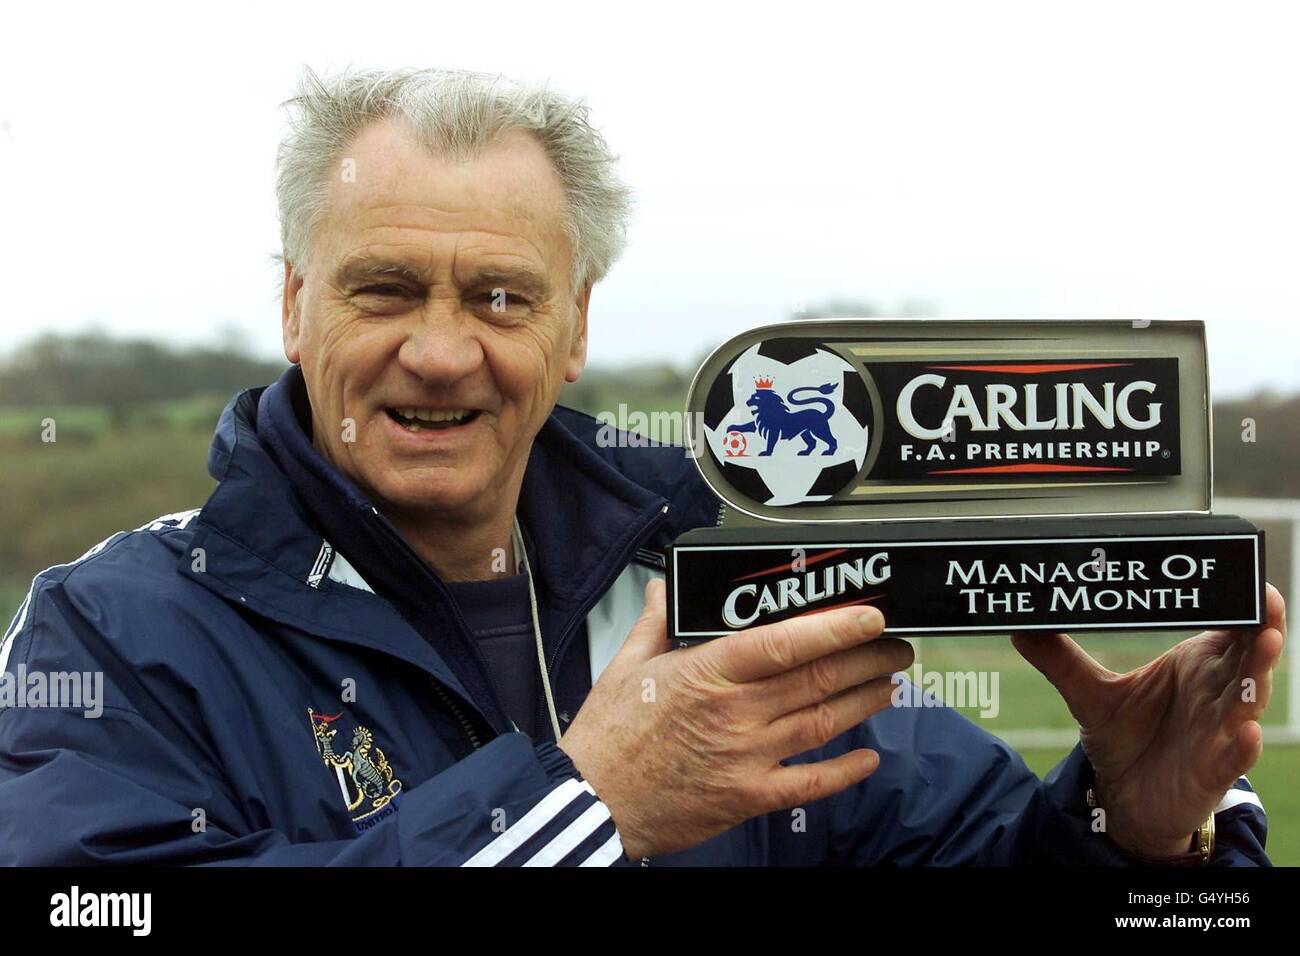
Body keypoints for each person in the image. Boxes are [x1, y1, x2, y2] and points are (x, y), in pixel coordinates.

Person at [0, 67, 1281, 866]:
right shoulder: (117, 626)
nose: (441, 353)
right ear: (294, 307)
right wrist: (581, 812)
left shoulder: (741, 590)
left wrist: (1135, 824)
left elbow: (964, 848)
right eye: (383, 288)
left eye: (502, 296)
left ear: (575, 331)